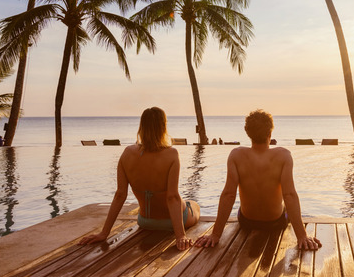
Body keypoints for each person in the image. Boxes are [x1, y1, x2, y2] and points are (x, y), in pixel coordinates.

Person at [195, 109, 321, 251]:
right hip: (276, 222)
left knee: (242, 206)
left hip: (247, 222)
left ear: (248, 132)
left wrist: (215, 235)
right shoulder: (283, 156)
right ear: (270, 133)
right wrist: (302, 236)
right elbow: (289, 195)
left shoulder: (236, 155)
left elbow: (228, 194)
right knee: (286, 204)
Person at [79, 107, 200, 250]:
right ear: (163, 127)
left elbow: (120, 195)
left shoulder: (127, 153)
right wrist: (180, 236)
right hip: (170, 222)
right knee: (194, 204)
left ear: (141, 127)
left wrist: (104, 233)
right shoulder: (171, 154)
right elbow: (172, 197)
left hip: (145, 221)